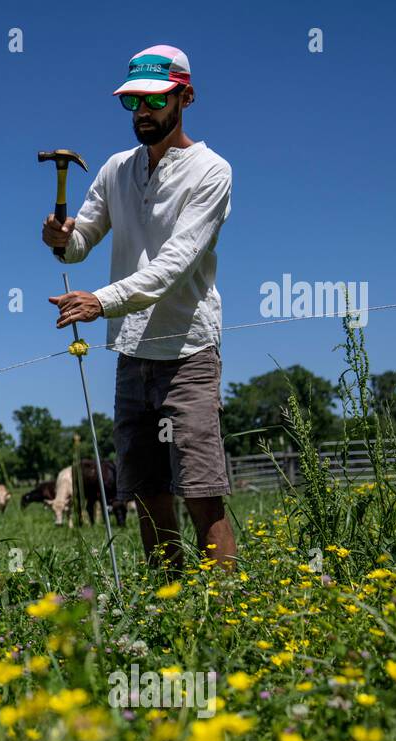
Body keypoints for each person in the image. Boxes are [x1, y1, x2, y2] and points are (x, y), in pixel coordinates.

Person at [43, 44, 237, 571]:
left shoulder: (211, 172)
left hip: (188, 349)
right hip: (132, 351)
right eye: (134, 103)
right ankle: (167, 598)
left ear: (186, 96)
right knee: (146, 489)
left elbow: (173, 265)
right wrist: (59, 237)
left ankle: (227, 604)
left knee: (200, 487)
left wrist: (99, 300)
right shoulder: (115, 169)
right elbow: (80, 241)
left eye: (154, 100)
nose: (143, 113)